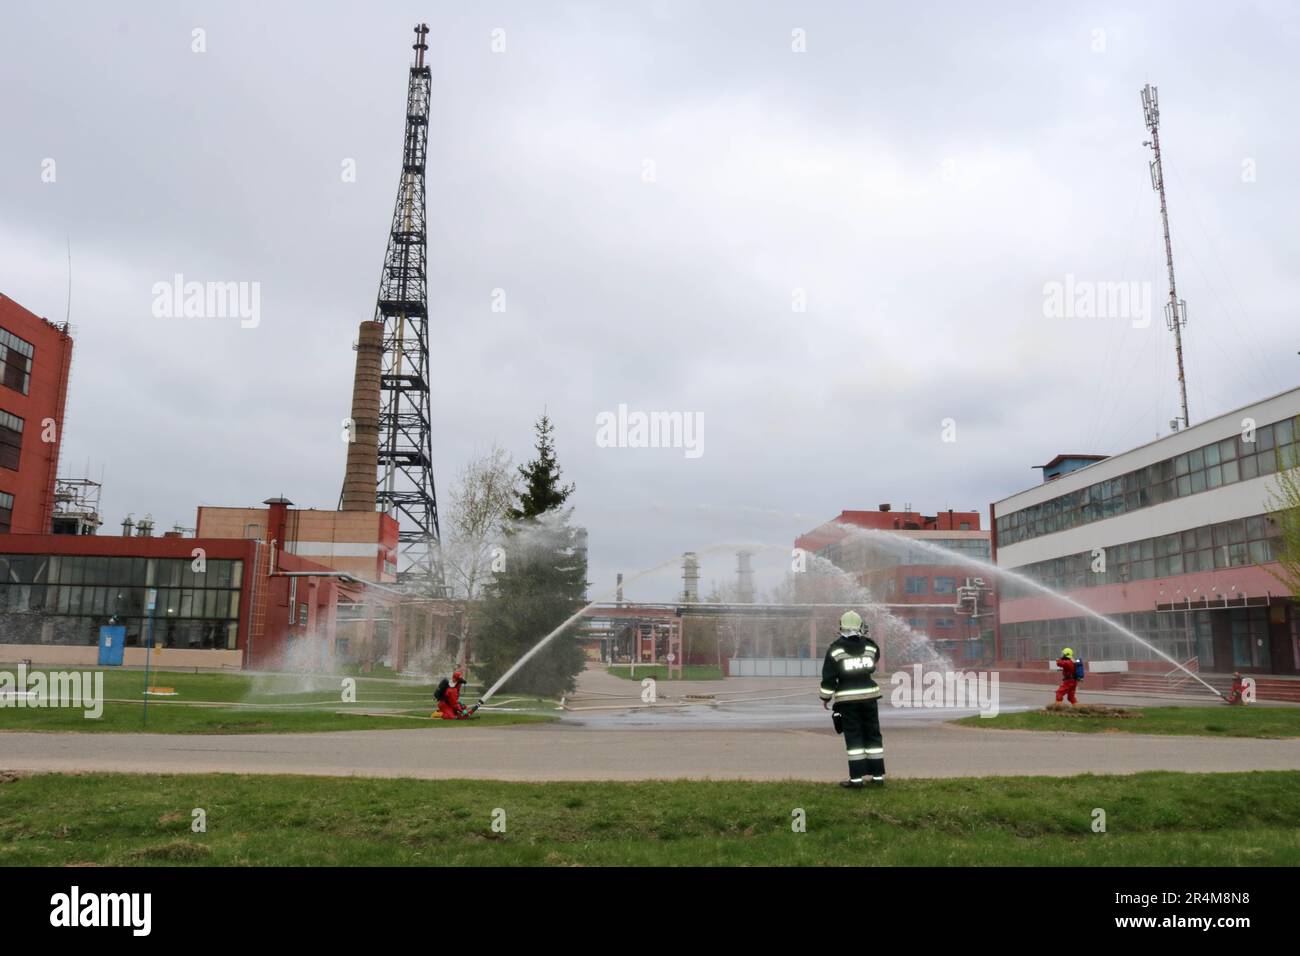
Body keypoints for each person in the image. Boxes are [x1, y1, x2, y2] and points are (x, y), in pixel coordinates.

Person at [819, 610, 885, 789]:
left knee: (854, 738)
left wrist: (825, 697)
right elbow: (874, 661)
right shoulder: (870, 646)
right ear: (860, 626)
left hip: (847, 701)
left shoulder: (835, 649)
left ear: (841, 627)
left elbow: (829, 677)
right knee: (873, 734)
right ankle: (878, 776)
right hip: (870, 698)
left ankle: (856, 779)